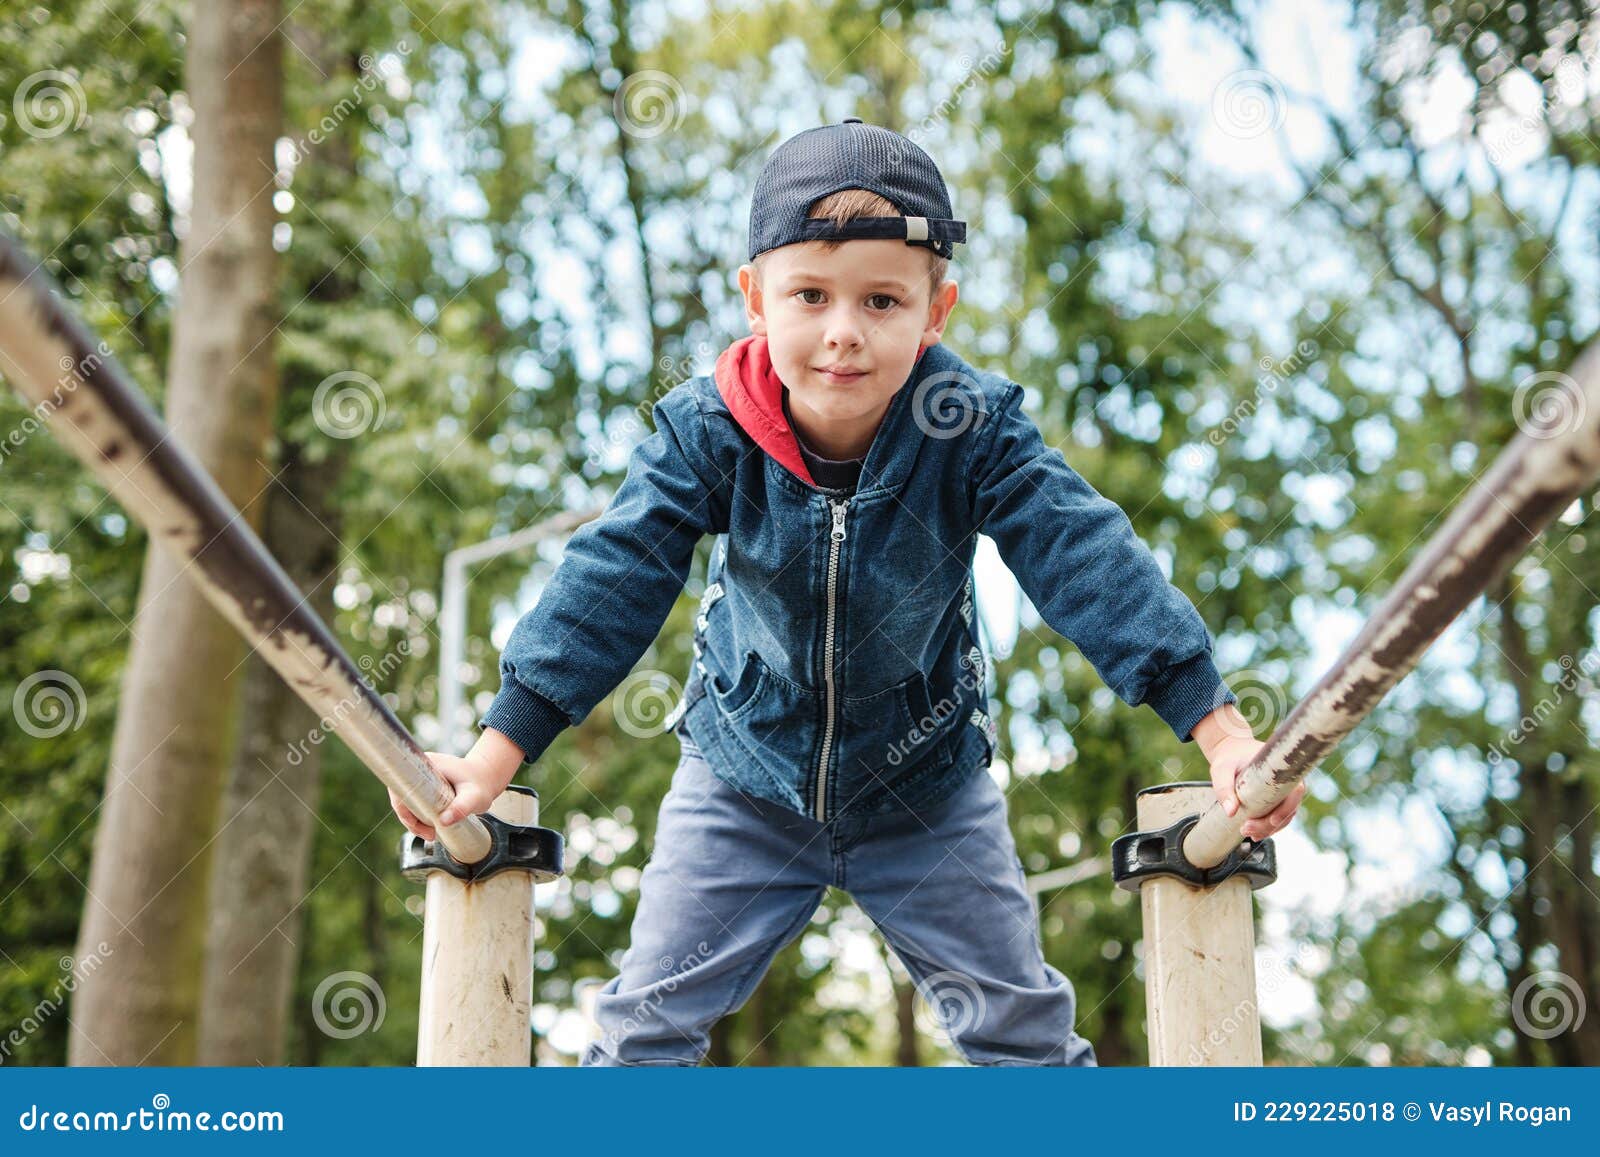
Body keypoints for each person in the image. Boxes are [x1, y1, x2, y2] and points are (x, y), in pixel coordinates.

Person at [389, 117, 1307, 1065]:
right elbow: (613, 575)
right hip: (743, 782)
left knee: (1023, 1038)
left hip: (927, 794)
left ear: (935, 311)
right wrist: (497, 750)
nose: (843, 332)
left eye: (881, 300)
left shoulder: (969, 429)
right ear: (756, 298)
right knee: (643, 1031)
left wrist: (1219, 730)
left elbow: (1087, 558)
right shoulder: (709, 432)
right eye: (810, 295)